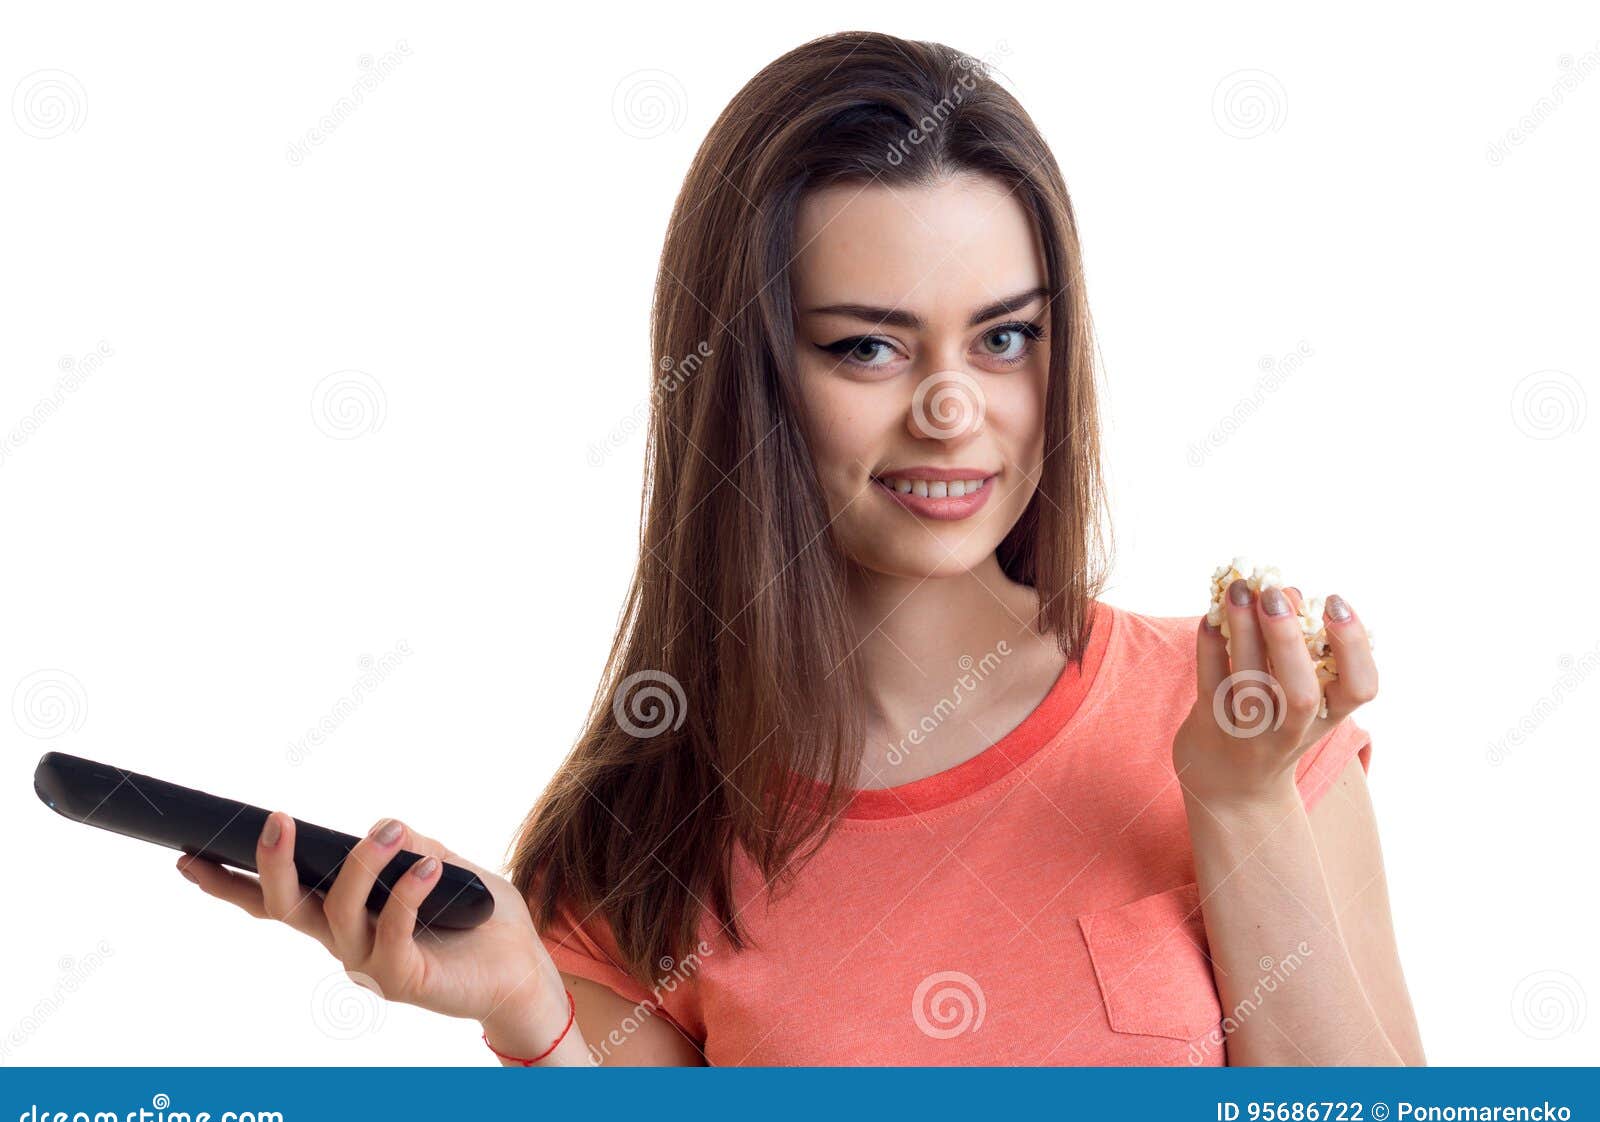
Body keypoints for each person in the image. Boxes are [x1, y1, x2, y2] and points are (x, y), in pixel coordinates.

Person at [181, 30, 1422, 1067]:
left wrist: (1240, 799)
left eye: (1002, 339)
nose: (952, 407)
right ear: (743, 380)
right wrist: (527, 1005)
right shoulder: (639, 843)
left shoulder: (1248, 725)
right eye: (867, 347)